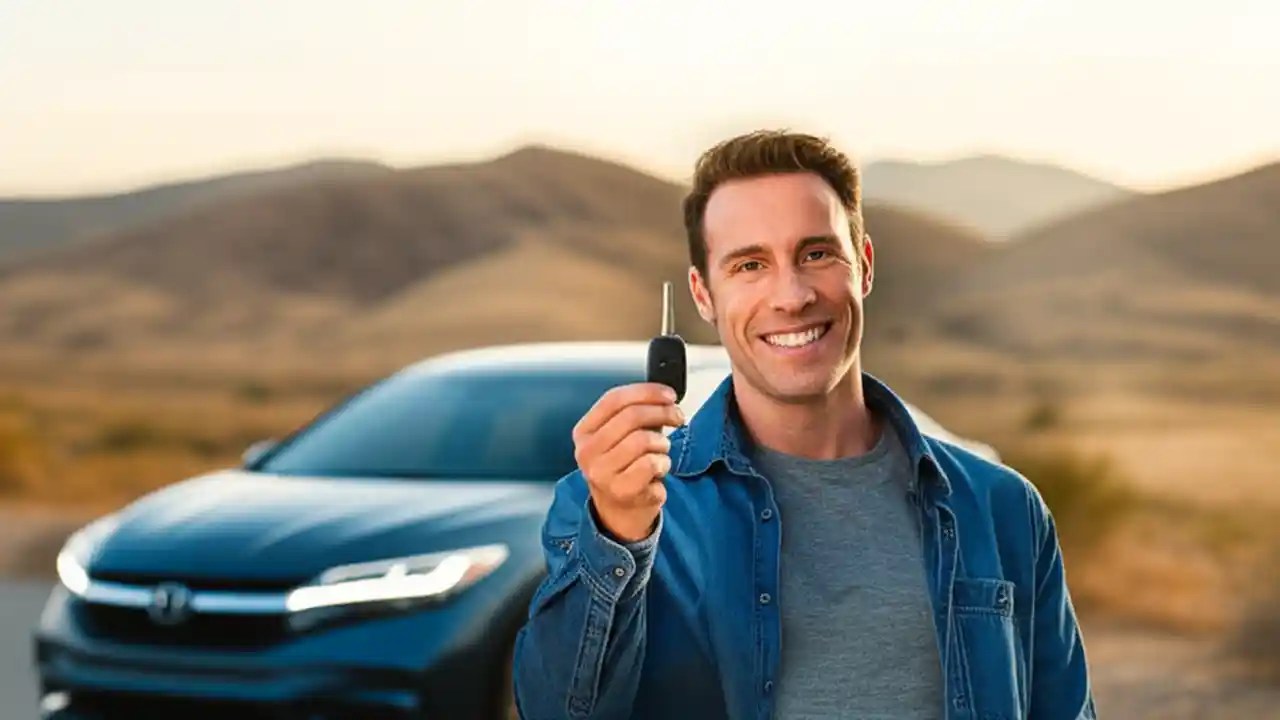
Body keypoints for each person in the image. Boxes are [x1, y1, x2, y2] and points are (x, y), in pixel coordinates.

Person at [512, 130, 1096, 719]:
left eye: (816, 254)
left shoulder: (1003, 509)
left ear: (863, 267)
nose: (790, 296)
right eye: (750, 264)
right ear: (703, 294)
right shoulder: (612, 512)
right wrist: (621, 537)